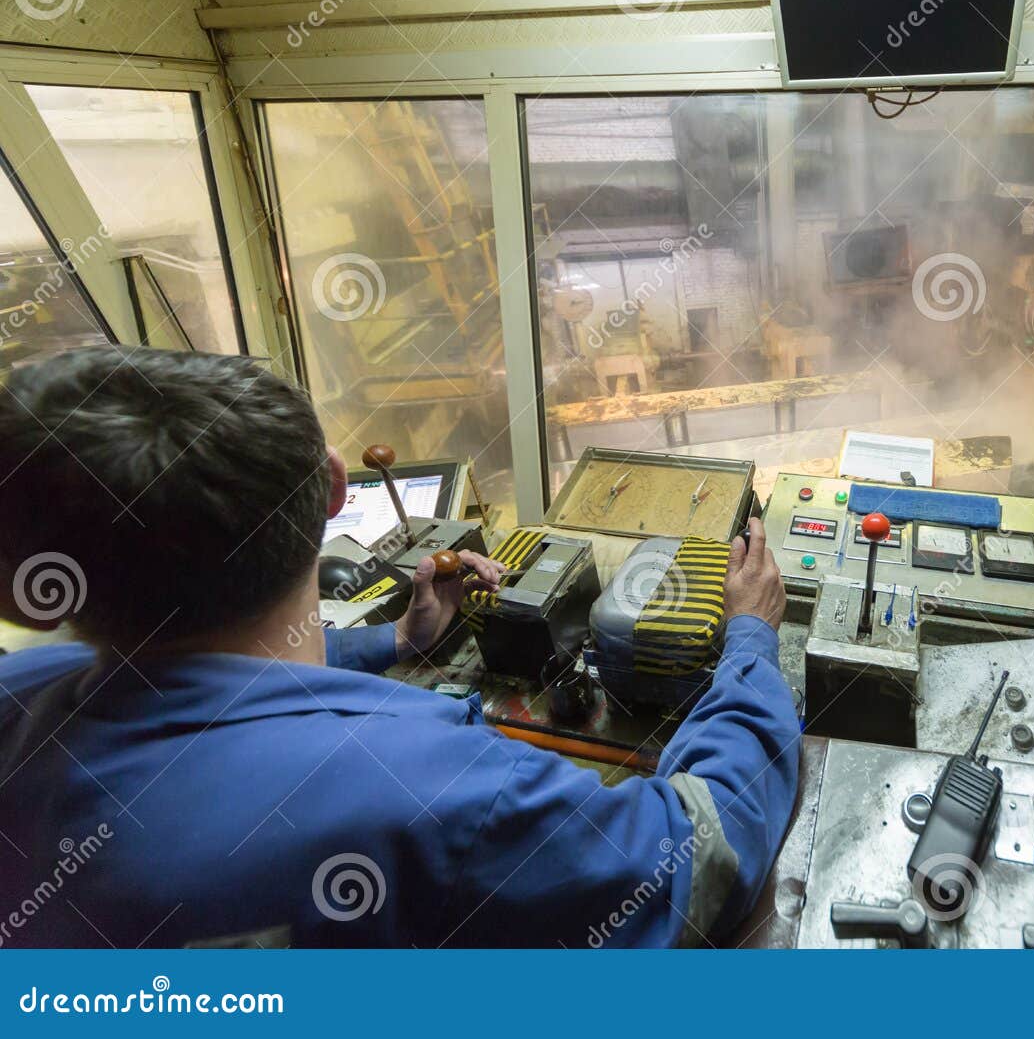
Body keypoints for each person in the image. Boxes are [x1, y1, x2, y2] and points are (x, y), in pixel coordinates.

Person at [0, 347, 799, 947]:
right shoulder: (438, 789)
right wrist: (750, 641)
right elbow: (701, 860)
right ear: (333, 486)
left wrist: (396, 640)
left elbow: (217, 683)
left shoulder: (21, 695)